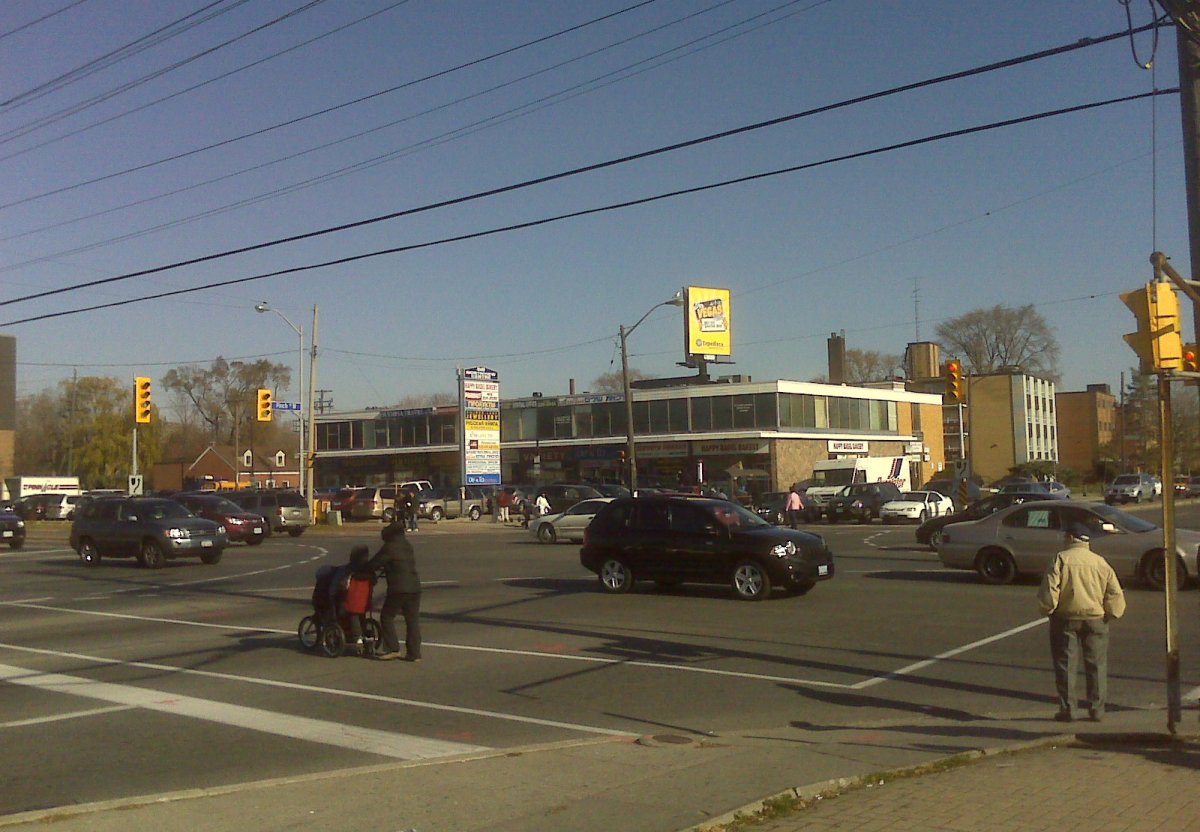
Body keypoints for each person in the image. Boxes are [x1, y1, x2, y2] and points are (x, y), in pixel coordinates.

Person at [1037, 521, 1126, 722]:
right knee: (1096, 665)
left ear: (1070, 538)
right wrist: (1112, 613)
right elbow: (1114, 592)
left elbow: (1050, 590)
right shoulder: (1100, 562)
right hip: (1095, 618)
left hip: (1065, 618)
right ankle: (1096, 710)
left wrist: (1048, 609)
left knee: (1065, 665)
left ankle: (1068, 709)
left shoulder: (1060, 559)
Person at [367, 519, 422, 662]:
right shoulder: (407, 545)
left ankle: (392, 648)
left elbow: (375, 563)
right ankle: (414, 653)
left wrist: (364, 570)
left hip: (399, 587)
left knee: (387, 616)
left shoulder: (390, 547)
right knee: (412, 620)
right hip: (415, 587)